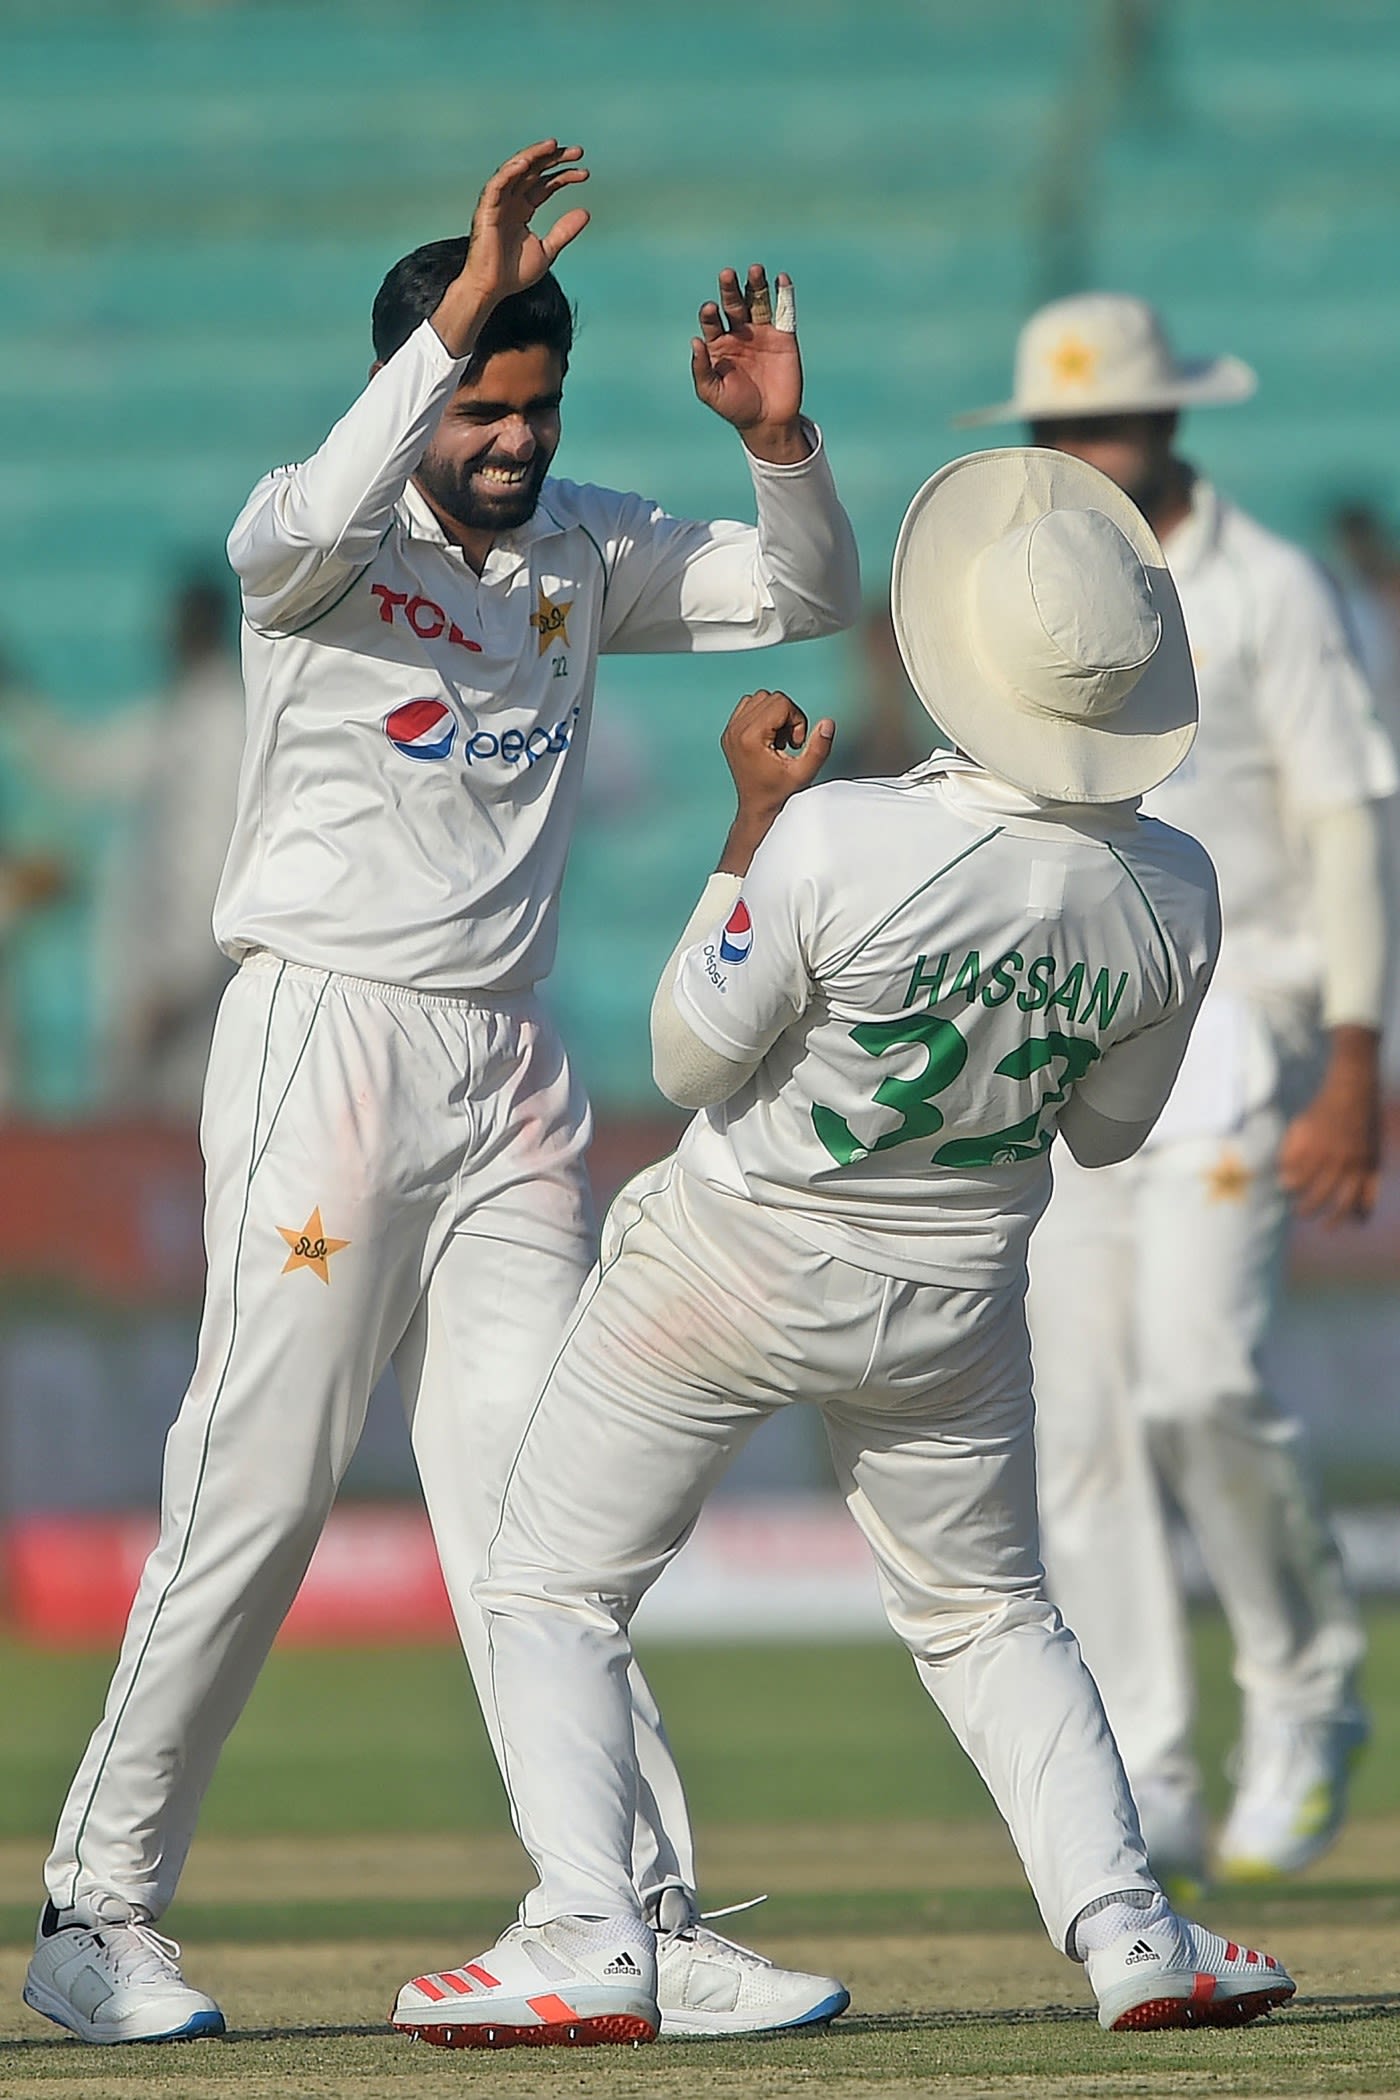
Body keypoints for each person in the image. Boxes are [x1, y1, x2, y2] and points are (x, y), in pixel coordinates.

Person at [23, 139, 861, 2048]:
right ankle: (97, 1911)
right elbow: (280, 528)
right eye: (483, 401)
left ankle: (621, 1908)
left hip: (511, 1070)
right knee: (261, 1481)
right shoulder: (329, 556)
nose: (511, 440)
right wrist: (455, 312)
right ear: (419, 383)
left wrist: (783, 442)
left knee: (546, 1515)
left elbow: (804, 595)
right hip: (331, 1041)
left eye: (535, 407)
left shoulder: (582, 552)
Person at [387, 447, 1293, 2051]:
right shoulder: (1179, 888)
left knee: (548, 1586)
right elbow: (1104, 1136)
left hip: (733, 1263)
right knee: (994, 1616)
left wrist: (748, 830)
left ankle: (593, 1933)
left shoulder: (840, 839)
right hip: (952, 1302)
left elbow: (685, 1060)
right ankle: (1130, 1934)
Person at [955, 293, 1397, 1890]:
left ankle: (1307, 1692)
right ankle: (1148, 1765)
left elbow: (1350, 819)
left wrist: (1360, 1052)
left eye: (1118, 426)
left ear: (1173, 427)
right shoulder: (1018, 586)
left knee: (1197, 1382)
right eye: (1067, 431)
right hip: (1069, 1027)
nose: (1095, 455)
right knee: (1075, 1421)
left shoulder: (1271, 587)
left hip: (1240, 1028)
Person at [97, 574, 246, 1119]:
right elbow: (87, 766)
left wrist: (177, 983)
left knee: (189, 1148)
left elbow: (216, 860)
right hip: (154, 982)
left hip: (195, 987)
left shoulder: (229, 719)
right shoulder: (175, 713)